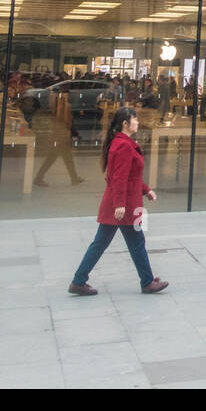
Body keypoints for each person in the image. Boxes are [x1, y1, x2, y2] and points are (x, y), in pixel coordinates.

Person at [68, 107, 168, 295]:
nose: (137, 122)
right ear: (125, 124)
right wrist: (120, 204)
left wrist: (146, 190)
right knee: (132, 242)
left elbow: (131, 175)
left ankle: (79, 280)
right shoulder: (123, 146)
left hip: (123, 203)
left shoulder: (122, 143)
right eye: (135, 119)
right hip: (125, 206)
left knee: (111, 242)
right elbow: (119, 178)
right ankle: (146, 281)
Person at [34, 84, 83, 187]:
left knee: (62, 158)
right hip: (62, 137)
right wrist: (76, 134)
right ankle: (39, 178)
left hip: (58, 136)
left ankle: (74, 178)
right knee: (55, 159)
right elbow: (68, 123)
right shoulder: (64, 107)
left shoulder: (56, 105)